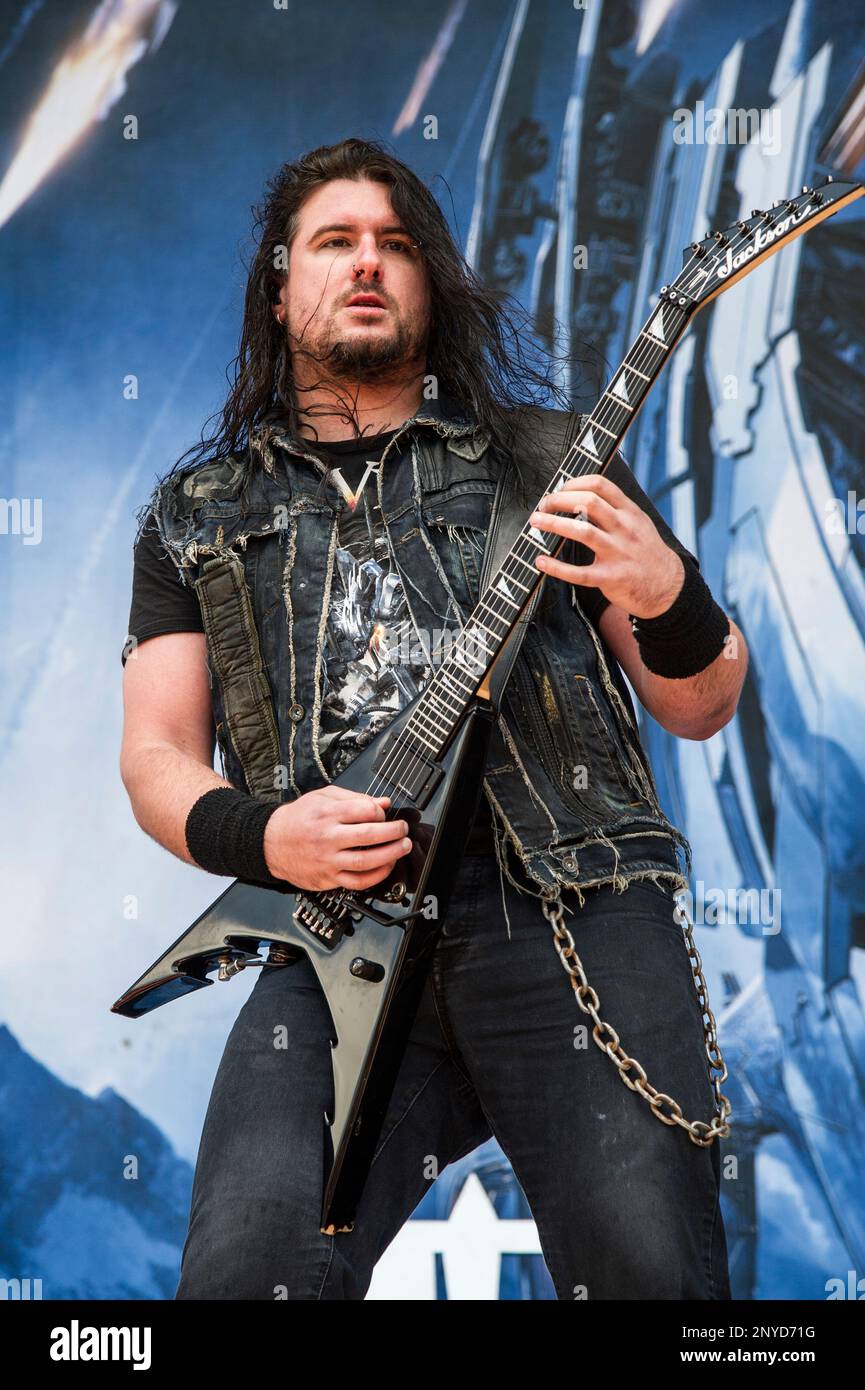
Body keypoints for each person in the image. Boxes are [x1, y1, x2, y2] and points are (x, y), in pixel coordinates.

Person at [120, 138, 747, 1301]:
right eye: (334, 242)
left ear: (431, 281)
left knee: (648, 1275)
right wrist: (264, 837)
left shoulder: (553, 457)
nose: (367, 264)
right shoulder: (197, 510)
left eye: (396, 245)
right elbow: (156, 756)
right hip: (337, 939)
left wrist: (667, 591)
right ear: (277, 283)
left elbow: (702, 701)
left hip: (577, 914)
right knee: (244, 1274)